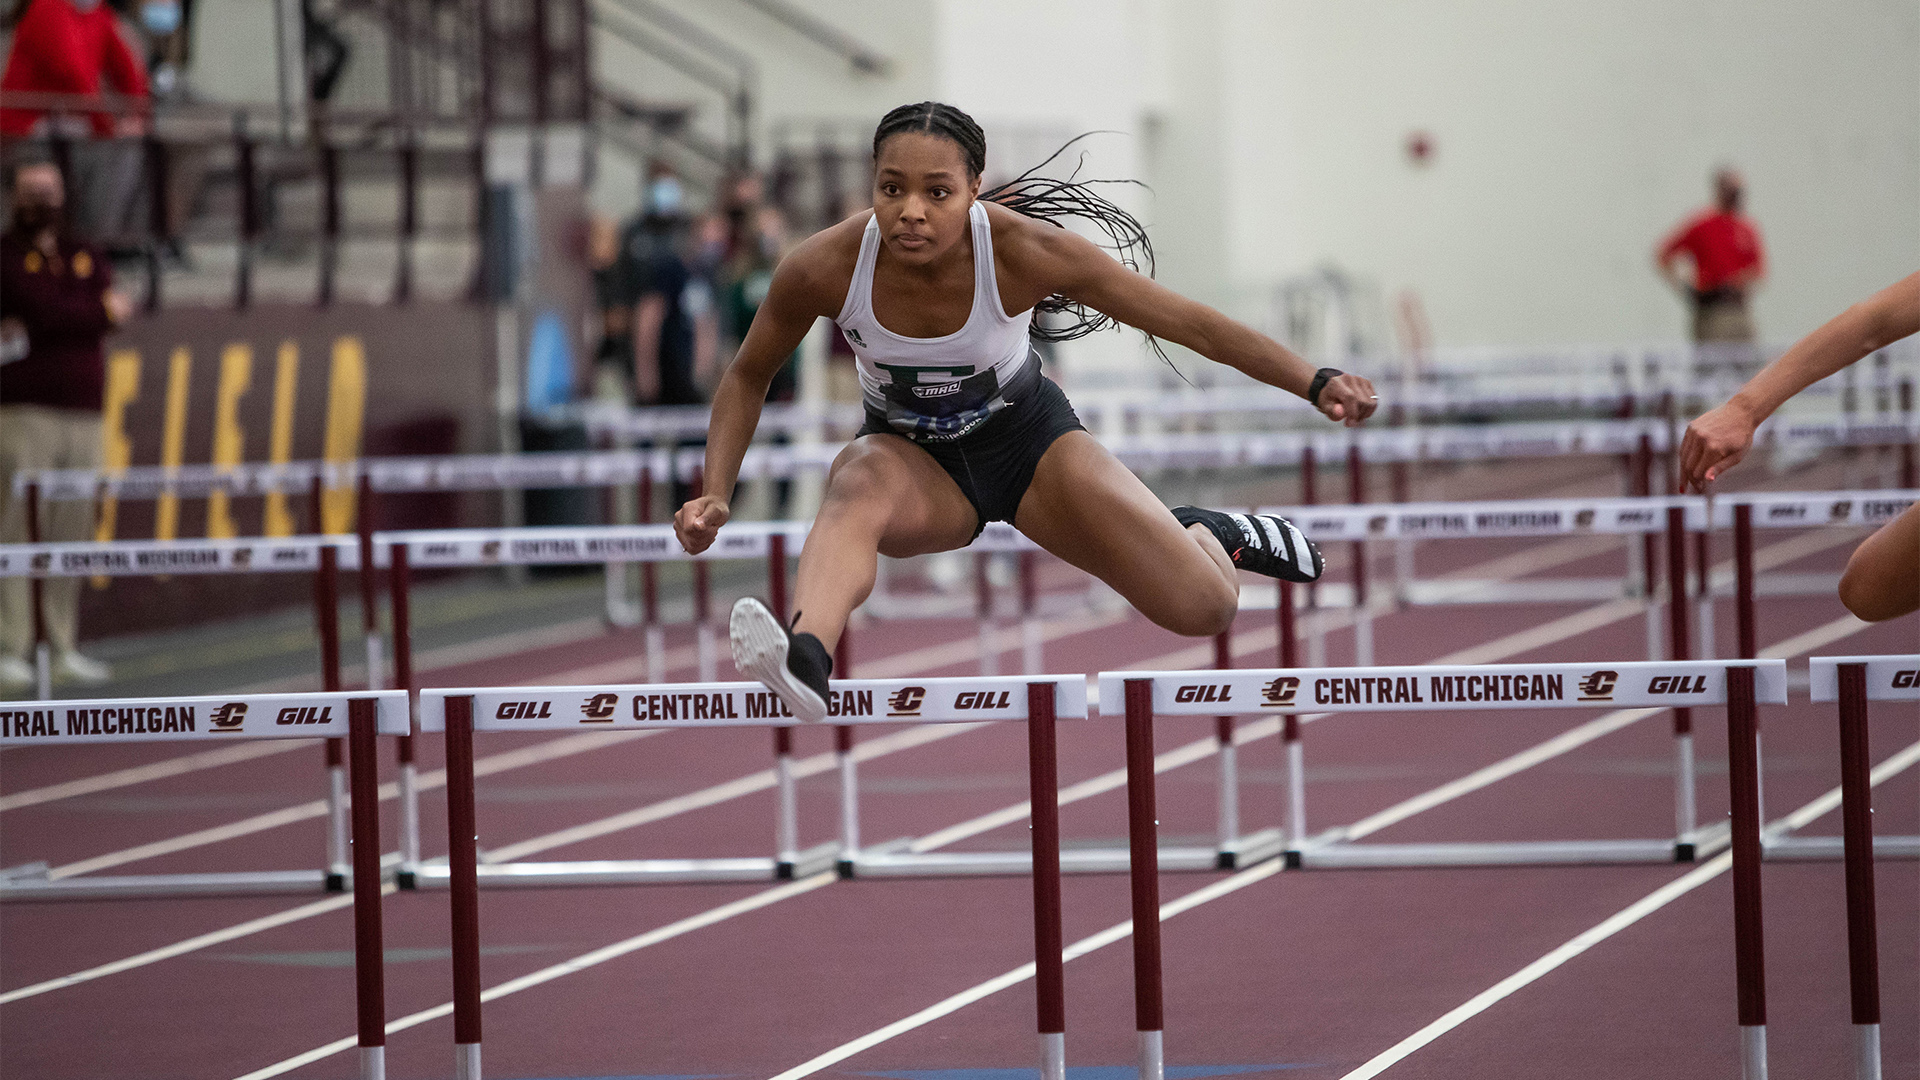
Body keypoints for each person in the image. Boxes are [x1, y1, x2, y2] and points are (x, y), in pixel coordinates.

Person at [675, 102, 1376, 722]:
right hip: (915, 464)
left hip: (1032, 448)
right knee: (856, 478)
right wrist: (714, 492)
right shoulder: (824, 265)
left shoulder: (1023, 253)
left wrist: (1311, 379)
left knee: (1205, 608)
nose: (910, 211)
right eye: (891, 189)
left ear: (975, 191)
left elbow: (1190, 324)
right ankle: (806, 657)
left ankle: (1202, 531)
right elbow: (747, 375)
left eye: (937, 193)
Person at [1681, 270, 1920, 623]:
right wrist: (1744, 409)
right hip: (1712, 310)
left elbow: (1875, 320)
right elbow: (1875, 320)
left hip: (1732, 307)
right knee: (1866, 589)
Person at [0, 159, 128, 688]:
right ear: (13, 198)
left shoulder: (83, 252)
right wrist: (93, 313)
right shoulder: (6, 257)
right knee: (15, 525)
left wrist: (83, 313)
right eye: (32, 192)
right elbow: (49, 310)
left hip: (85, 411)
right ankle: (11, 646)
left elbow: (112, 307)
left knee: (72, 526)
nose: (43, 201)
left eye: (50, 191)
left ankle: (61, 643)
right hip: (24, 411)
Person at [1657, 168, 1766, 345]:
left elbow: (1758, 271)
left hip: (1739, 309)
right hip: (1712, 310)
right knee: (1713, 364)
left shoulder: (1746, 228)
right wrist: (1685, 285)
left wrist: (1736, 281)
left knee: (1749, 364)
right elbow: (1664, 254)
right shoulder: (1702, 224)